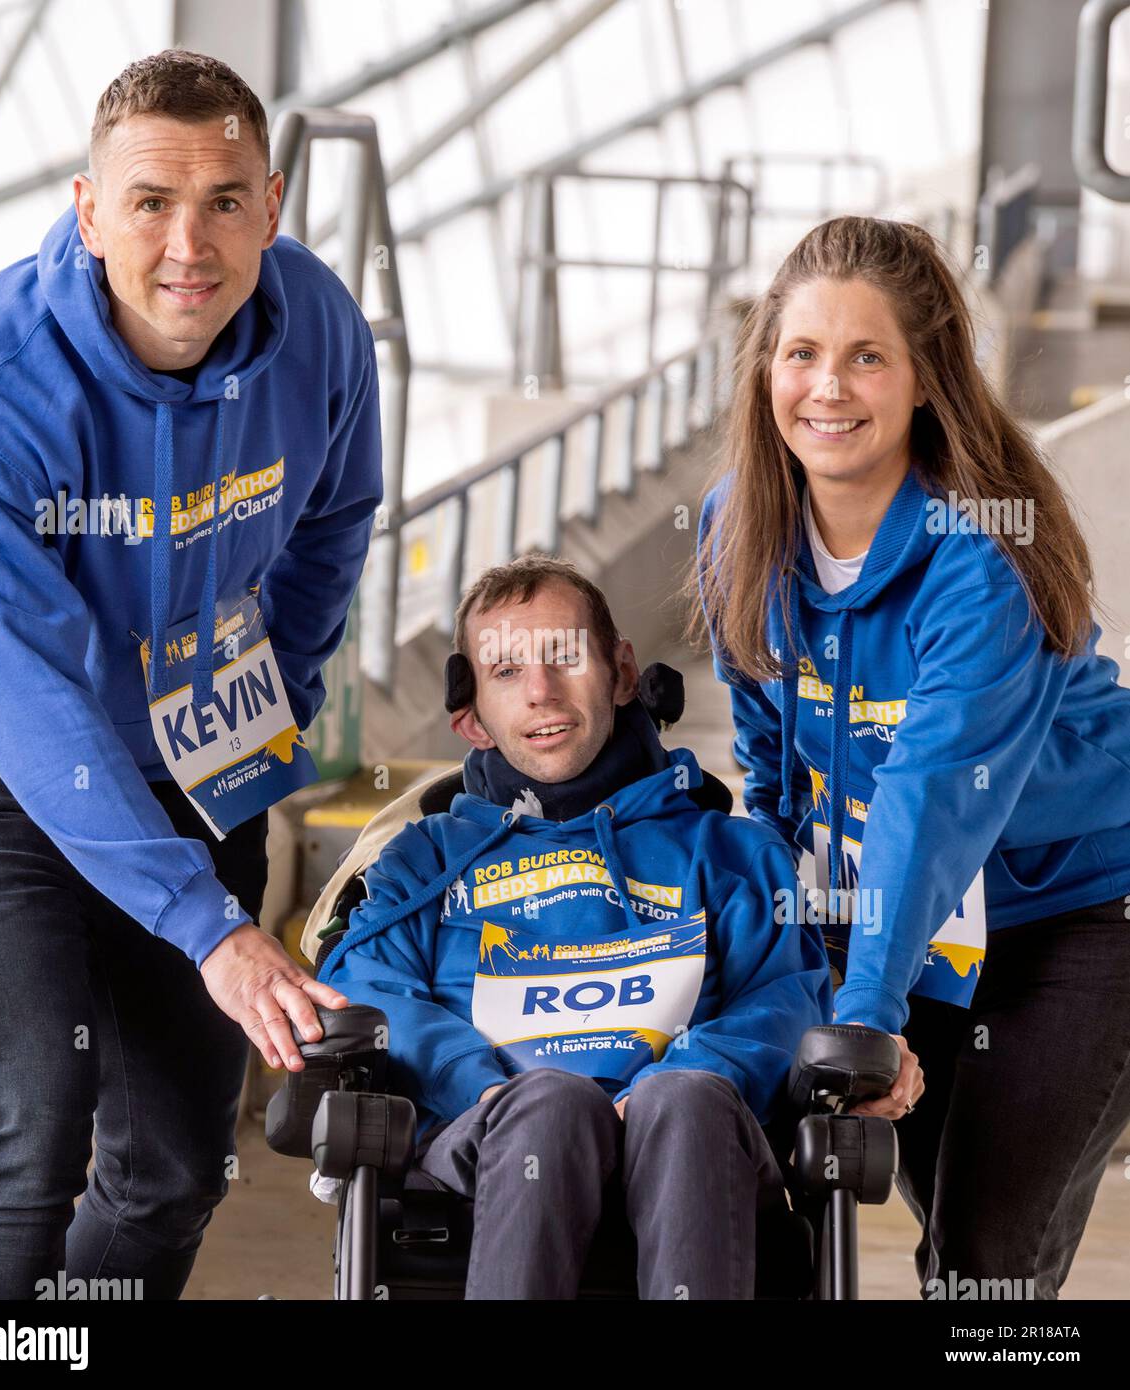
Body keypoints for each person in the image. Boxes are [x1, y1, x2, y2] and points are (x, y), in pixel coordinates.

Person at [0, 50, 368, 1299]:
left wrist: (270, 687)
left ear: (273, 205)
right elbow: (24, 695)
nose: (191, 244)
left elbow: (339, 515)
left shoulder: (320, 324)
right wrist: (213, 932)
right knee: (34, 1125)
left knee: (179, 1163)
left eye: (226, 200)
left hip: (186, 750)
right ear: (86, 210)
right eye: (149, 202)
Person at [692, 214, 1130, 1299]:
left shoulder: (978, 555)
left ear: (926, 377)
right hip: (915, 920)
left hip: (1074, 910)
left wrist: (863, 1011)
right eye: (800, 353)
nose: (825, 388)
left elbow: (925, 803)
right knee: (942, 1241)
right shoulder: (735, 525)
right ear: (763, 371)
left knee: (986, 1262)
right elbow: (768, 763)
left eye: (864, 356)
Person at [317, 554, 859, 1299]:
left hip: (698, 1141)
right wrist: (482, 1091)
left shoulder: (731, 850)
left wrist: (671, 1083)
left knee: (685, 1100)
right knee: (549, 1104)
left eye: (563, 657)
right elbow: (369, 996)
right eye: (505, 672)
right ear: (469, 714)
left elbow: (784, 1003)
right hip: (486, 1137)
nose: (539, 692)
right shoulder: (420, 861)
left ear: (621, 673)